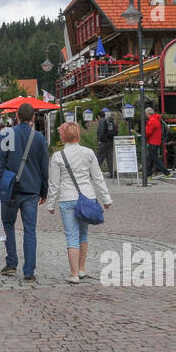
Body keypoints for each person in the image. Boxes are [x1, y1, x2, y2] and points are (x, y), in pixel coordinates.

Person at [0, 102, 50, 283]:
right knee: (30, 230)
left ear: (16, 116)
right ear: (33, 118)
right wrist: (44, 191)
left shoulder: (7, 134)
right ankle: (29, 271)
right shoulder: (39, 138)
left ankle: (11, 263)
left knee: (8, 224)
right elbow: (44, 167)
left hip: (10, 189)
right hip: (31, 190)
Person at [47, 121, 112, 283]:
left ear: (63, 136)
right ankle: (82, 269)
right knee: (83, 234)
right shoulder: (88, 153)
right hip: (87, 197)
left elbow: (54, 184)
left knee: (71, 236)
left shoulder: (58, 156)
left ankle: (74, 273)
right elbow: (98, 177)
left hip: (67, 199)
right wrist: (106, 198)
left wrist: (50, 203)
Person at [143, 106, 170, 177]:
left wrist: (143, 137)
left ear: (147, 113)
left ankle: (166, 172)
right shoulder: (156, 120)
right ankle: (148, 175)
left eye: (145, 114)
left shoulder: (152, 121)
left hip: (152, 142)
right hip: (155, 141)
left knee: (154, 158)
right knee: (150, 158)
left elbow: (147, 132)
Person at [95, 108, 116, 175]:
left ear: (98, 116)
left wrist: (100, 140)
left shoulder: (101, 121)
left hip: (103, 143)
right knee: (110, 159)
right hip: (110, 142)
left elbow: (101, 131)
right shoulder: (110, 121)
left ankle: (93, 173)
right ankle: (112, 173)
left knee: (98, 158)